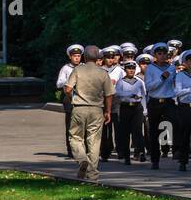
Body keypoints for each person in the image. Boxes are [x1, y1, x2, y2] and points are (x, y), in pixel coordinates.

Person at [63, 45, 114, 182]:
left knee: (75, 137)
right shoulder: (103, 73)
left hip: (79, 107)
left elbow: (67, 89)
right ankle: (93, 175)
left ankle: (82, 159)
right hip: (97, 109)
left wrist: (71, 98)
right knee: (94, 141)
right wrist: (108, 111)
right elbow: (109, 94)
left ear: (84, 57)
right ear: (98, 58)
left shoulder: (78, 69)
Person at [144, 43, 176, 170]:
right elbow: (149, 87)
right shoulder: (150, 68)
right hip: (155, 101)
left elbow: (175, 83)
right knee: (154, 131)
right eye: (159, 54)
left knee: (176, 123)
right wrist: (162, 78)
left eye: (164, 53)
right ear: (155, 55)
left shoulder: (172, 68)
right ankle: (155, 160)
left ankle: (176, 149)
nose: (162, 56)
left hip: (169, 100)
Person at [113, 59, 148, 164]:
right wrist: (128, 95)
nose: (131, 71)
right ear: (125, 69)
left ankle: (141, 152)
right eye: (129, 68)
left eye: (133, 68)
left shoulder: (139, 82)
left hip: (137, 108)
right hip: (125, 107)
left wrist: (145, 110)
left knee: (137, 131)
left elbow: (143, 96)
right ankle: (127, 156)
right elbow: (117, 93)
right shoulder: (121, 81)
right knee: (125, 132)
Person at [56, 44, 83, 157]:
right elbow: (59, 83)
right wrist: (70, 80)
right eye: (74, 56)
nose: (77, 58)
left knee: (82, 125)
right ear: (70, 57)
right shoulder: (66, 68)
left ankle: (82, 149)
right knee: (71, 126)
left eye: (78, 56)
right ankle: (71, 150)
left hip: (82, 99)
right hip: (70, 98)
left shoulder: (84, 67)